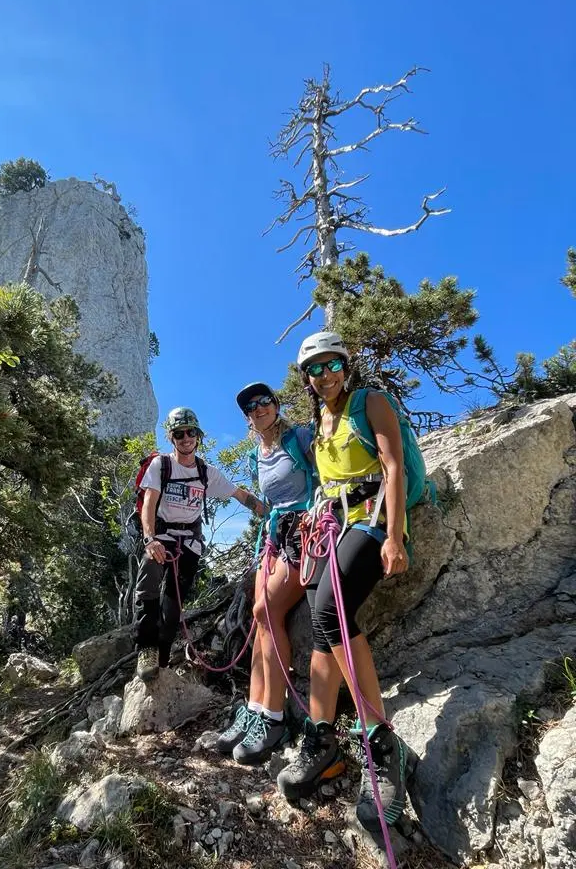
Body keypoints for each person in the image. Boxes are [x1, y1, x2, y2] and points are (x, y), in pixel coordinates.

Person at [276, 331, 417, 832]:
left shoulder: (369, 402)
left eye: (332, 364)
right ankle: (321, 738)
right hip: (332, 526)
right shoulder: (320, 422)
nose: (325, 375)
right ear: (307, 379)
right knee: (318, 626)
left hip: (372, 522)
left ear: (345, 365)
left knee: (328, 611)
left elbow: (393, 464)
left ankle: (381, 741)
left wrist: (395, 536)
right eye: (315, 369)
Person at [216, 383, 327, 767]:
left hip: (306, 532)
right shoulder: (255, 456)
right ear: (247, 416)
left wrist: (316, 515)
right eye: (251, 405)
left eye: (265, 401)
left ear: (276, 405)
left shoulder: (299, 438)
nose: (259, 407)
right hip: (276, 536)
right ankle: (254, 709)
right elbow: (266, 505)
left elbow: (327, 477)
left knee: (266, 611)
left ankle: (274, 718)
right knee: (259, 618)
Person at [135, 406, 264, 682]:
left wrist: (266, 511)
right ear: (172, 438)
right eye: (179, 434)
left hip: (190, 544)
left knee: (172, 605)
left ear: (198, 435)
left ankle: (163, 657)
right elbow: (149, 503)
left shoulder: (206, 472)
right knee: (148, 582)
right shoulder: (162, 465)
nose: (186, 438)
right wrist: (149, 539)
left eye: (190, 432)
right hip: (163, 537)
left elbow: (239, 494)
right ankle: (146, 649)